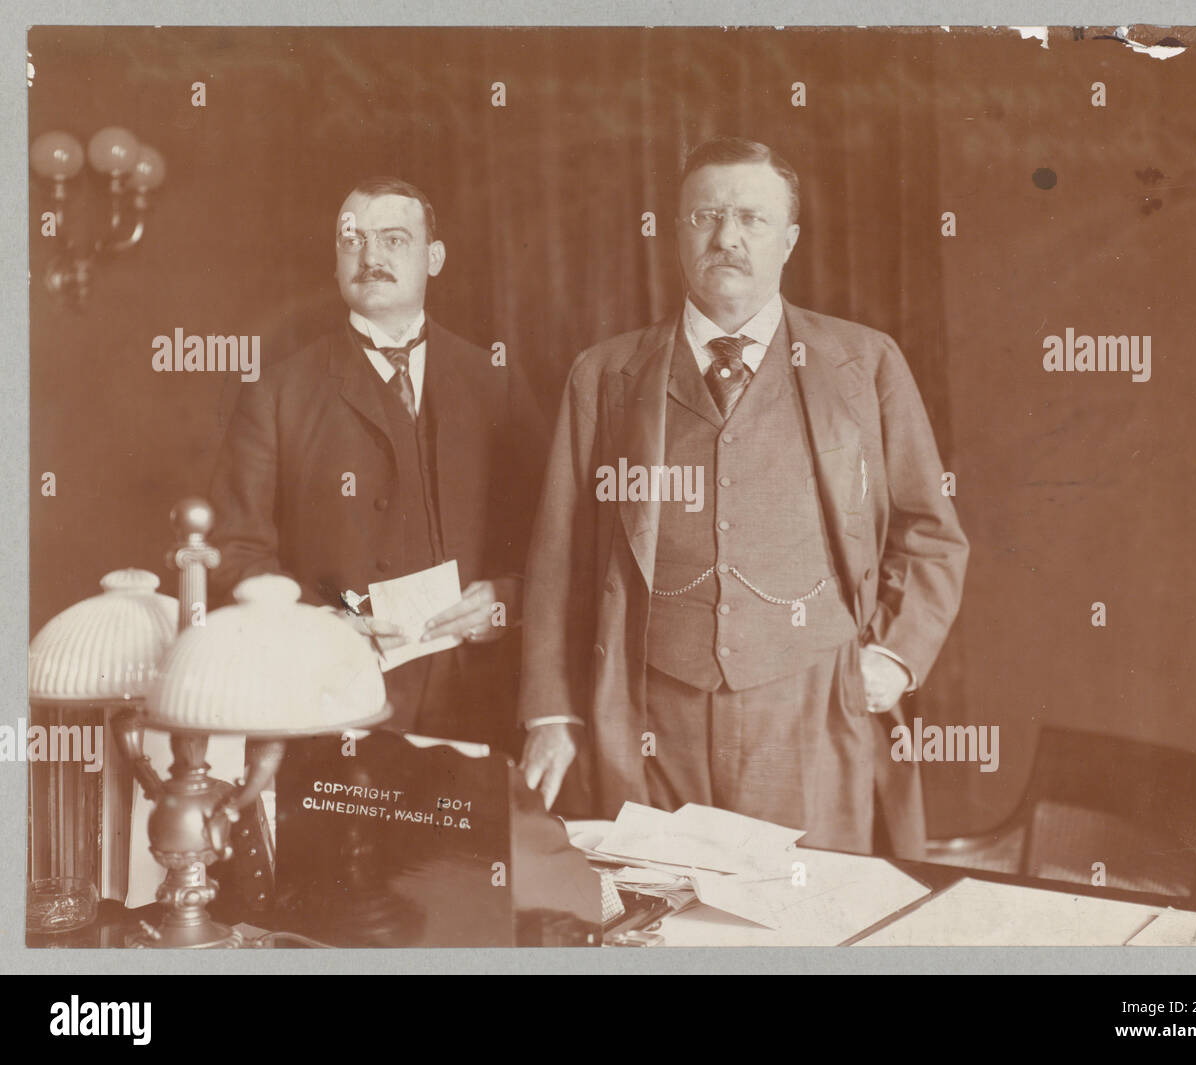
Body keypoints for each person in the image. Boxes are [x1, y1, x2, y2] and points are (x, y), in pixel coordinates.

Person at [517, 137, 968, 855]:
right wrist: (549, 711)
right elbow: (556, 558)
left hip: (814, 709)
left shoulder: (865, 363)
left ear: (788, 240)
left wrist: (894, 654)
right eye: (705, 217)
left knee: (804, 922)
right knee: (658, 915)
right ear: (675, 234)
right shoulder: (603, 376)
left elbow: (929, 533)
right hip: (645, 707)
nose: (726, 237)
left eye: (752, 220)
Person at [208, 176, 527, 746]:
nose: (370, 256)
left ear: (434, 257)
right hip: (334, 699)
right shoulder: (277, 392)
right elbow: (235, 553)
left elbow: (551, 541)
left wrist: (506, 599)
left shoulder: (495, 382)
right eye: (352, 240)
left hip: (482, 700)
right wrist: (321, 628)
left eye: (394, 240)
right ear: (335, 260)